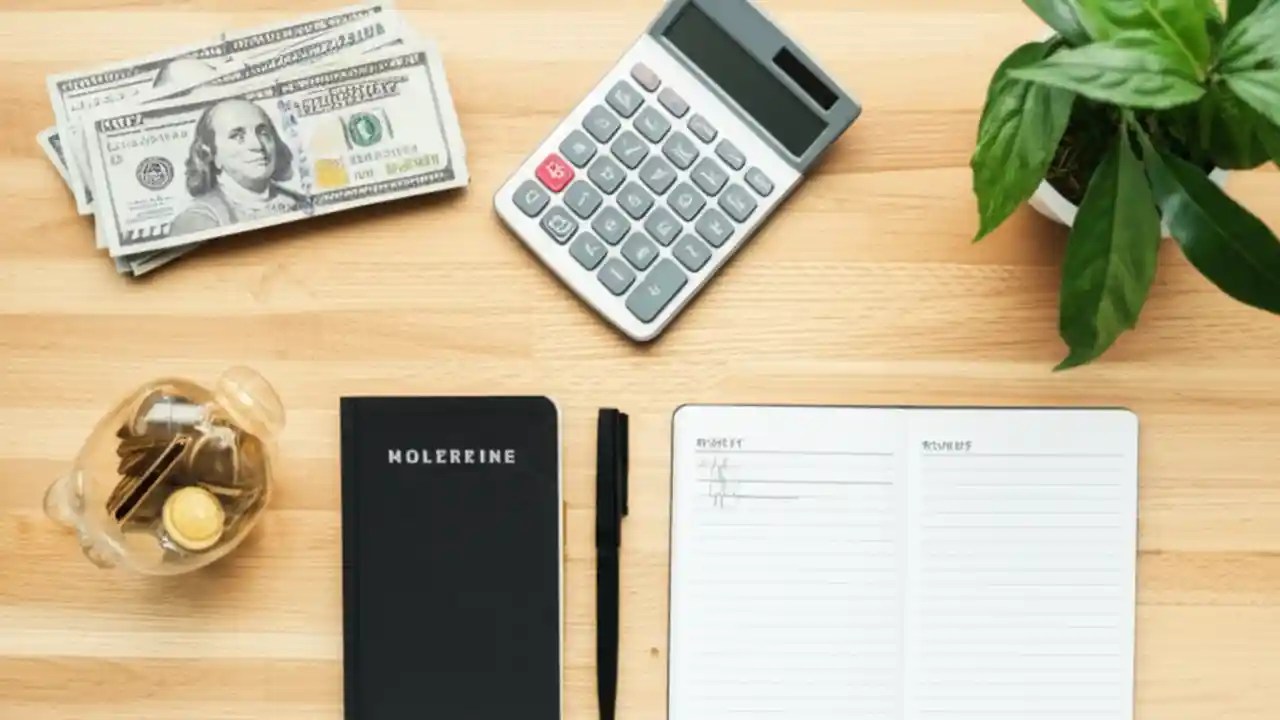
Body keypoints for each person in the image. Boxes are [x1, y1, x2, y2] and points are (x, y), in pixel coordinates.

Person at [170, 98, 302, 236]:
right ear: (210, 154)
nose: (257, 145)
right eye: (237, 136)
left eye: (263, 133)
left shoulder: (300, 202)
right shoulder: (197, 220)